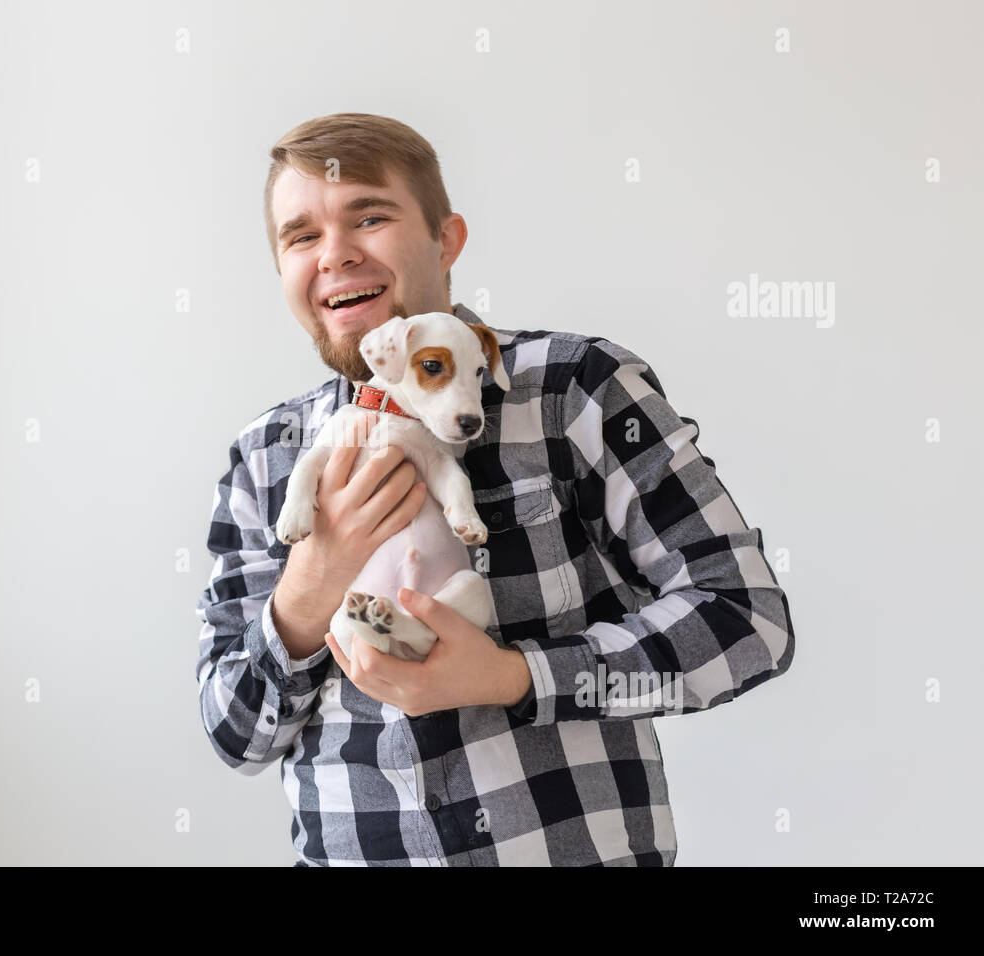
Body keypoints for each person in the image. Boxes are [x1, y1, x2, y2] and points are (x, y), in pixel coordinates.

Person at [194, 113, 796, 866]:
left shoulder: (575, 390)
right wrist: (311, 583)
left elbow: (748, 623)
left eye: (368, 216)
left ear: (446, 240)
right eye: (300, 236)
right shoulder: (264, 459)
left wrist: (517, 677)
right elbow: (236, 736)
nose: (335, 254)